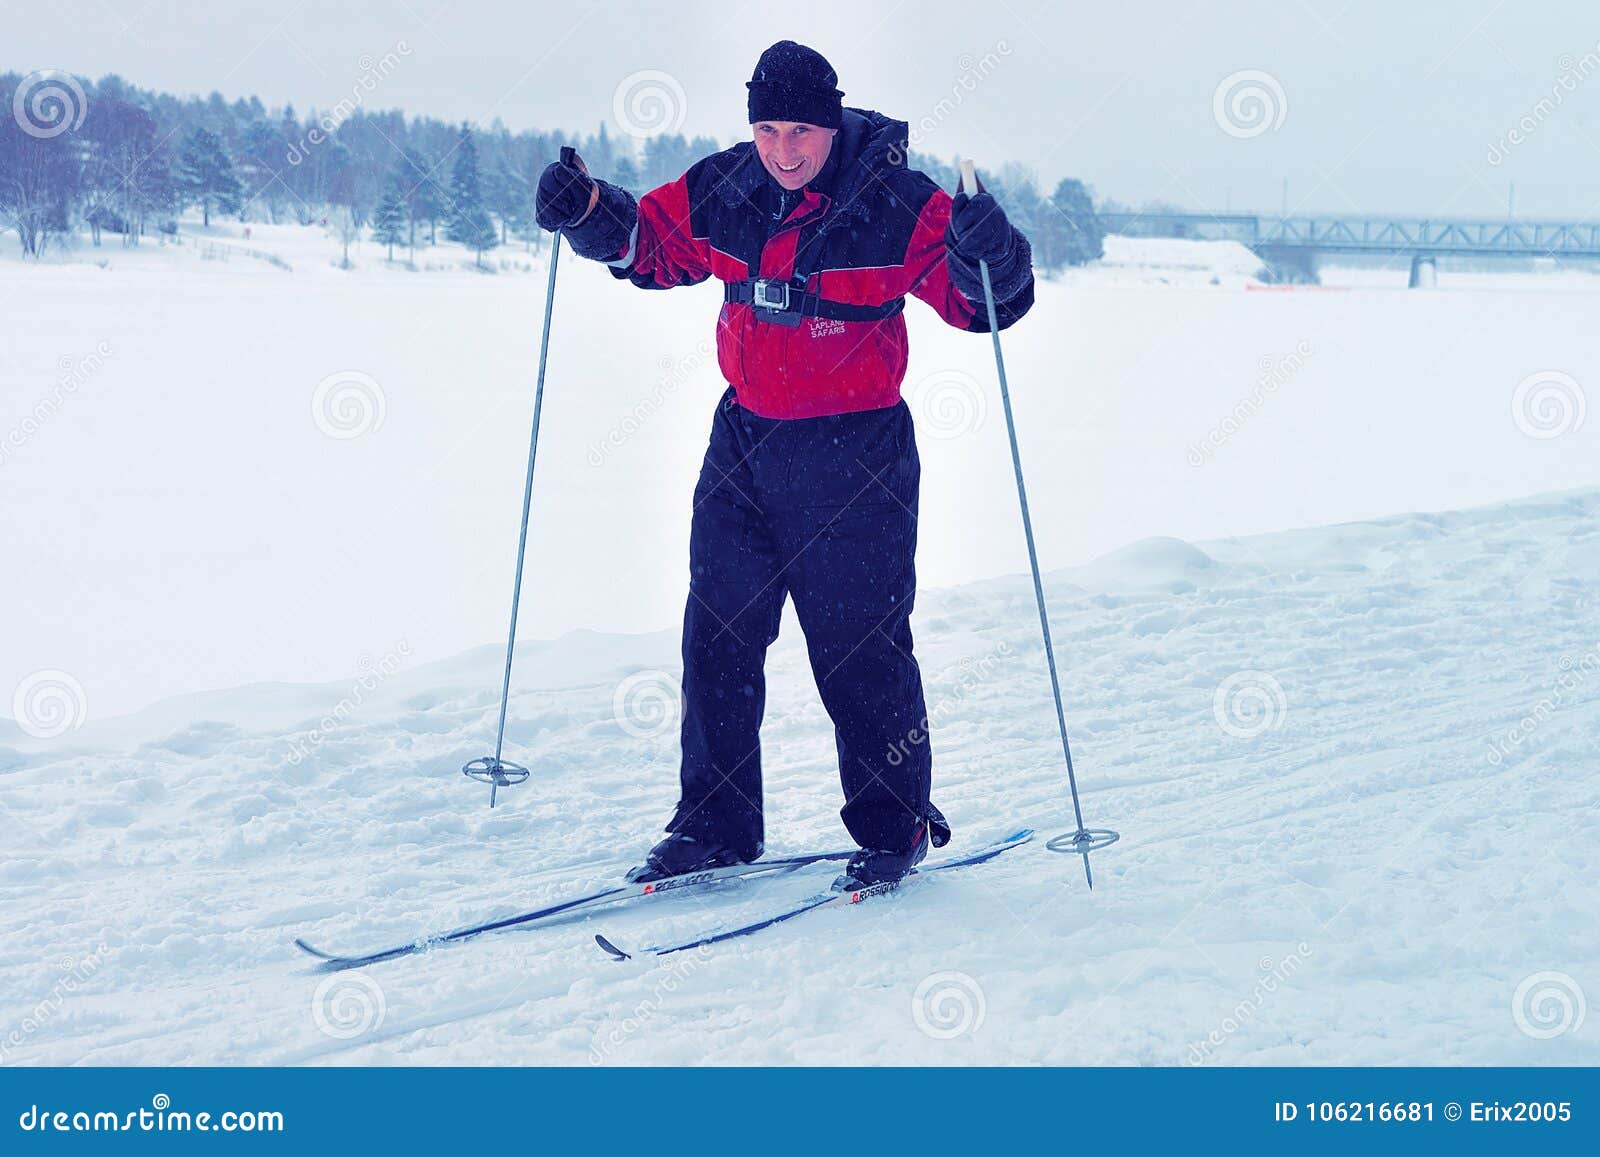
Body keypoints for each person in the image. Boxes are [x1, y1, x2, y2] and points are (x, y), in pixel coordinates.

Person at [536, 40, 1034, 887]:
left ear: (832, 123)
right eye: (767, 130)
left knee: (858, 649)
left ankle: (894, 824)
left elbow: (983, 302)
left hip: (857, 455)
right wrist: (586, 211)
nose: (783, 150)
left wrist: (994, 250)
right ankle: (715, 824)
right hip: (745, 445)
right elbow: (650, 244)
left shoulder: (895, 200)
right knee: (718, 637)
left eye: (800, 130)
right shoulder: (727, 186)